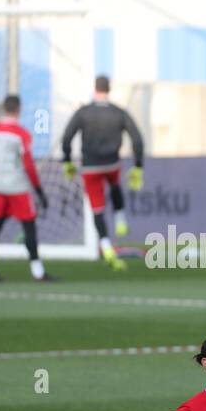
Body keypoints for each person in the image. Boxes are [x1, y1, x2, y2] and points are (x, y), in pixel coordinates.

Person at [61, 75, 145, 270]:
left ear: (94, 89)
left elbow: (67, 137)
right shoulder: (119, 112)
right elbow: (137, 139)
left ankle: (106, 246)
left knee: (97, 208)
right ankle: (120, 217)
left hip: (90, 167)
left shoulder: (83, 112)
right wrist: (138, 166)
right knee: (115, 183)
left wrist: (66, 161)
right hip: (111, 163)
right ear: (109, 89)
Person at [0, 95, 53, 282]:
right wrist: (39, 191)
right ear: (19, 109)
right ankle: (37, 271)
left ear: (4, 108)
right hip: (17, 187)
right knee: (29, 229)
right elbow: (28, 166)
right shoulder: (22, 134)